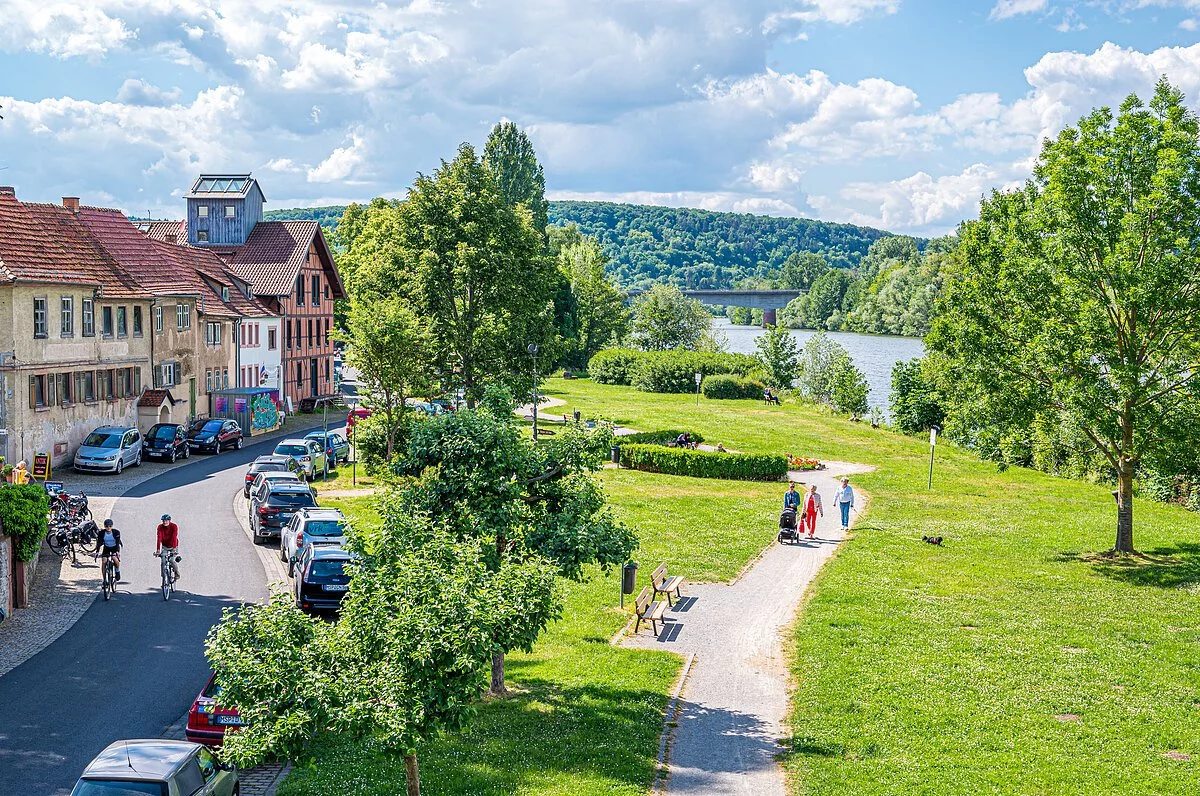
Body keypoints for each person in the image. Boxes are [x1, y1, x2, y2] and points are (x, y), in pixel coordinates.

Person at [155, 513, 181, 583]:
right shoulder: (160, 527)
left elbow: (174, 537)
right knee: (163, 561)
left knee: (172, 560)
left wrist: (174, 549)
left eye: (166, 520)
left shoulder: (174, 526)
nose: (165, 522)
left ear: (169, 521)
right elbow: (159, 538)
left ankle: (177, 574)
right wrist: (158, 550)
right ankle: (164, 578)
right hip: (165, 546)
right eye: (163, 521)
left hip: (173, 546)